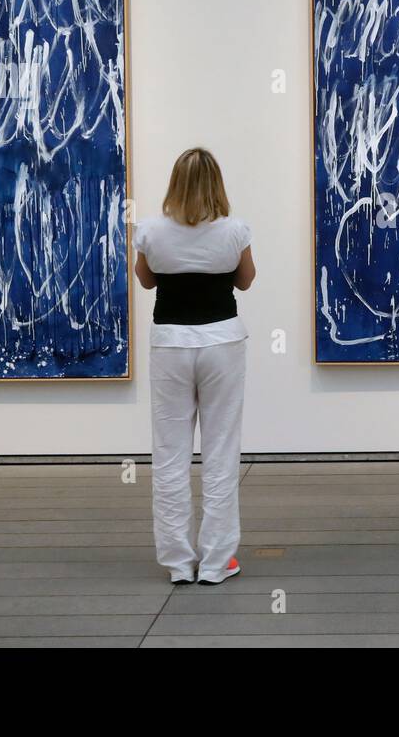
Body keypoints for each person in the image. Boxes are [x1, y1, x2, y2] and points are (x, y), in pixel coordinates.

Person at [134, 148, 255, 586]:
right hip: (222, 342)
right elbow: (245, 279)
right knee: (221, 451)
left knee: (170, 453)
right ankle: (217, 561)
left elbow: (146, 280)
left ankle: (178, 562)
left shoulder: (149, 230)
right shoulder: (234, 230)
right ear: (216, 184)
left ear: (175, 183)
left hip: (170, 343)